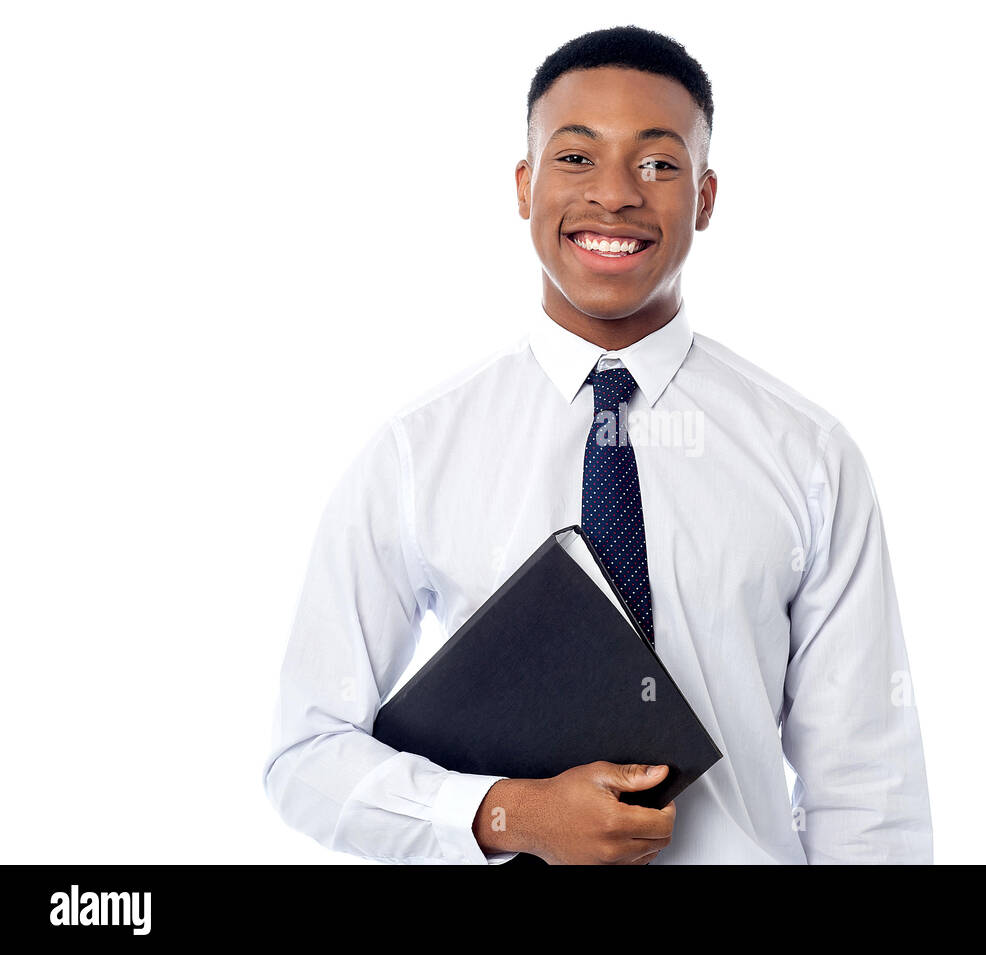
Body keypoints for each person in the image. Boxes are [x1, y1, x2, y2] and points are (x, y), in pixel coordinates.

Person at [263, 25, 933, 865]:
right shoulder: (414, 455)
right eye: (576, 158)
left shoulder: (809, 456)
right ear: (524, 185)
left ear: (707, 197)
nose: (614, 194)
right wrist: (504, 813)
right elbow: (305, 755)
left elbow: (868, 793)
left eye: (658, 163)